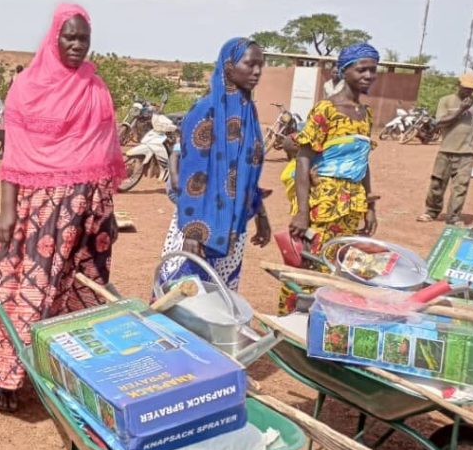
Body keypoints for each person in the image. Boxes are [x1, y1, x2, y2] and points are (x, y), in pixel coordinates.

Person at [0, 3, 125, 413]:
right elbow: (14, 153)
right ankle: (7, 377)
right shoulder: (27, 86)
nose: (77, 45)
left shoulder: (96, 87)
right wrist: (6, 211)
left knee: (79, 293)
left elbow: (104, 150)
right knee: (30, 290)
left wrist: (104, 213)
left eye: (84, 39)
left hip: (89, 211)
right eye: (70, 37)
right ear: (54, 36)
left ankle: (66, 374)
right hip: (38, 212)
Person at [158, 38, 271, 292]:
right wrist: (192, 232)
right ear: (229, 66)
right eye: (250, 64)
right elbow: (193, 175)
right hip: (200, 225)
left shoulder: (247, 112)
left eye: (260, 66)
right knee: (182, 297)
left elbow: (247, 173)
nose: (257, 72)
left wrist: (260, 215)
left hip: (233, 227)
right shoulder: (206, 109)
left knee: (218, 301)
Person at [280, 42, 379, 313]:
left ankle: (324, 324)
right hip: (324, 201)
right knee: (310, 263)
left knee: (341, 266)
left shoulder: (365, 114)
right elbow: (303, 159)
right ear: (345, 71)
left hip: (352, 203)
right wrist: (302, 212)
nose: (369, 76)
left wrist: (370, 206)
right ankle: (291, 319)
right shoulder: (326, 110)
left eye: (373, 70)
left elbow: (363, 162)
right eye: (362, 70)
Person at [418, 71, 473, 226]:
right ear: (458, 84)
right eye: (466, 88)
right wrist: (461, 110)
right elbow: (440, 123)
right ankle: (431, 212)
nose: (468, 91)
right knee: (437, 184)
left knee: (461, 187)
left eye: (471, 89)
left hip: (467, 152)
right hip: (446, 150)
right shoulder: (446, 101)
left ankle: (453, 217)